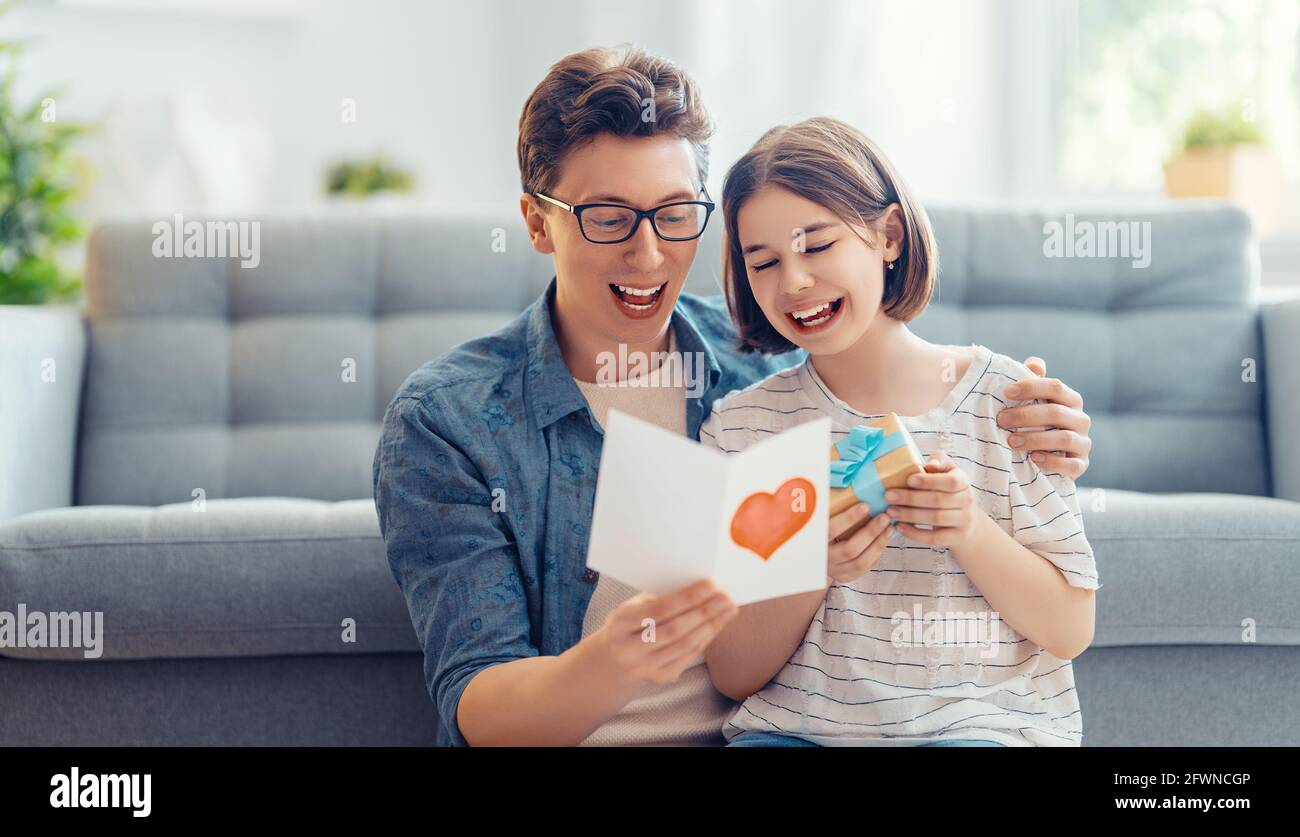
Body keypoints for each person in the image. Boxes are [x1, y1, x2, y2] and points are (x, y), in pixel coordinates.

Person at [372, 46, 1094, 746]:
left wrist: (1034, 412)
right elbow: (480, 707)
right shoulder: (448, 421)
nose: (650, 254)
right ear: (537, 221)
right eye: (608, 217)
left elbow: (903, 372)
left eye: (675, 212)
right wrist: (612, 661)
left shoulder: (763, 360)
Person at [700, 117, 1099, 746]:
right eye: (765, 262)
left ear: (888, 235)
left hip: (979, 727)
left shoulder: (1010, 401)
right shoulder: (744, 427)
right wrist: (812, 565)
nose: (794, 282)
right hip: (796, 734)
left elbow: (1071, 627)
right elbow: (731, 672)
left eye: (817, 245)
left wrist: (968, 529)